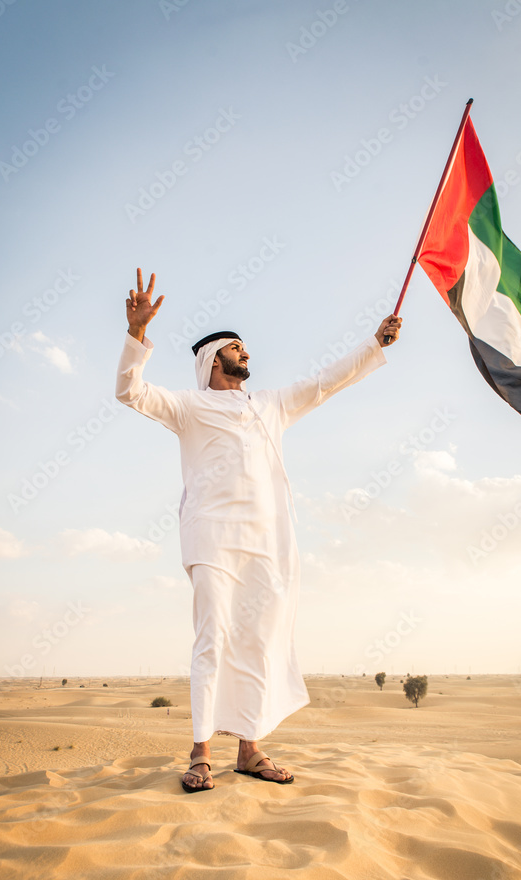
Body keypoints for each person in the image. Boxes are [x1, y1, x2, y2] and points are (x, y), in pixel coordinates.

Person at [116, 269, 401, 791]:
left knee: (259, 641)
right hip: (212, 539)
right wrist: (136, 335)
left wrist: (373, 343)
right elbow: (130, 392)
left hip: (268, 545)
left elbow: (324, 383)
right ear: (213, 360)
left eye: (246, 349)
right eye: (237, 348)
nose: (246, 354)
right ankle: (200, 753)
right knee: (212, 639)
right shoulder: (188, 405)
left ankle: (250, 751)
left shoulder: (269, 404)